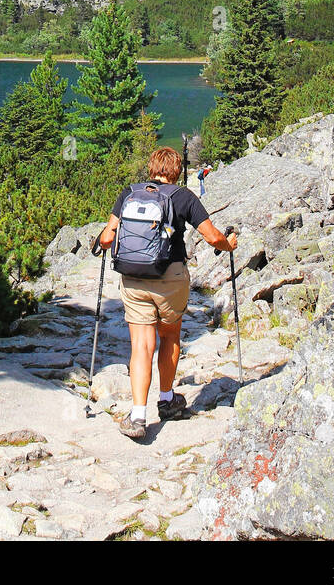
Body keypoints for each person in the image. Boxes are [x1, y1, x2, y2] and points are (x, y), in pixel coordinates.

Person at [98, 146, 237, 441]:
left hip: (133, 278)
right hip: (171, 278)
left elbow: (108, 237)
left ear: (152, 168)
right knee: (170, 336)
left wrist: (101, 240)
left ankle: (137, 415)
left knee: (141, 347)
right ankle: (166, 399)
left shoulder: (129, 193)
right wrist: (230, 245)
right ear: (175, 171)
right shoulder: (184, 196)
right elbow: (212, 236)